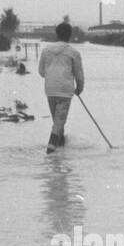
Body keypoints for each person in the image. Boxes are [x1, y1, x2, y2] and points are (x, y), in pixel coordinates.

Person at [38, 21, 84, 153]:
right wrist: (79, 89)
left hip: (50, 89)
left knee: (57, 122)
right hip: (65, 91)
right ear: (69, 36)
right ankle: (50, 151)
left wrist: (52, 74)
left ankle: (61, 152)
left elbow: (41, 72)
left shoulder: (46, 50)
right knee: (59, 122)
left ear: (56, 35)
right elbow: (79, 75)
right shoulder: (73, 53)